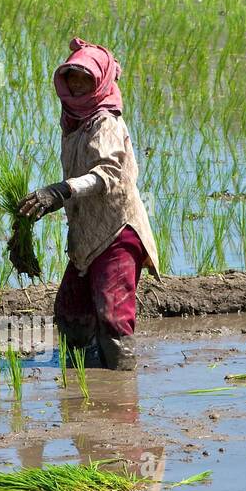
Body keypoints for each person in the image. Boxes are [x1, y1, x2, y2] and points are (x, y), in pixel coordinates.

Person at [18, 37, 161, 370]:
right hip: (86, 232)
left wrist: (61, 191)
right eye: (73, 77)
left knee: (112, 316)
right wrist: (60, 204)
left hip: (117, 231)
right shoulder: (73, 121)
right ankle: (87, 378)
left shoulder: (105, 122)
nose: (79, 85)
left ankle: (121, 389)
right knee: (71, 314)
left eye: (87, 78)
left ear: (102, 82)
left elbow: (108, 172)